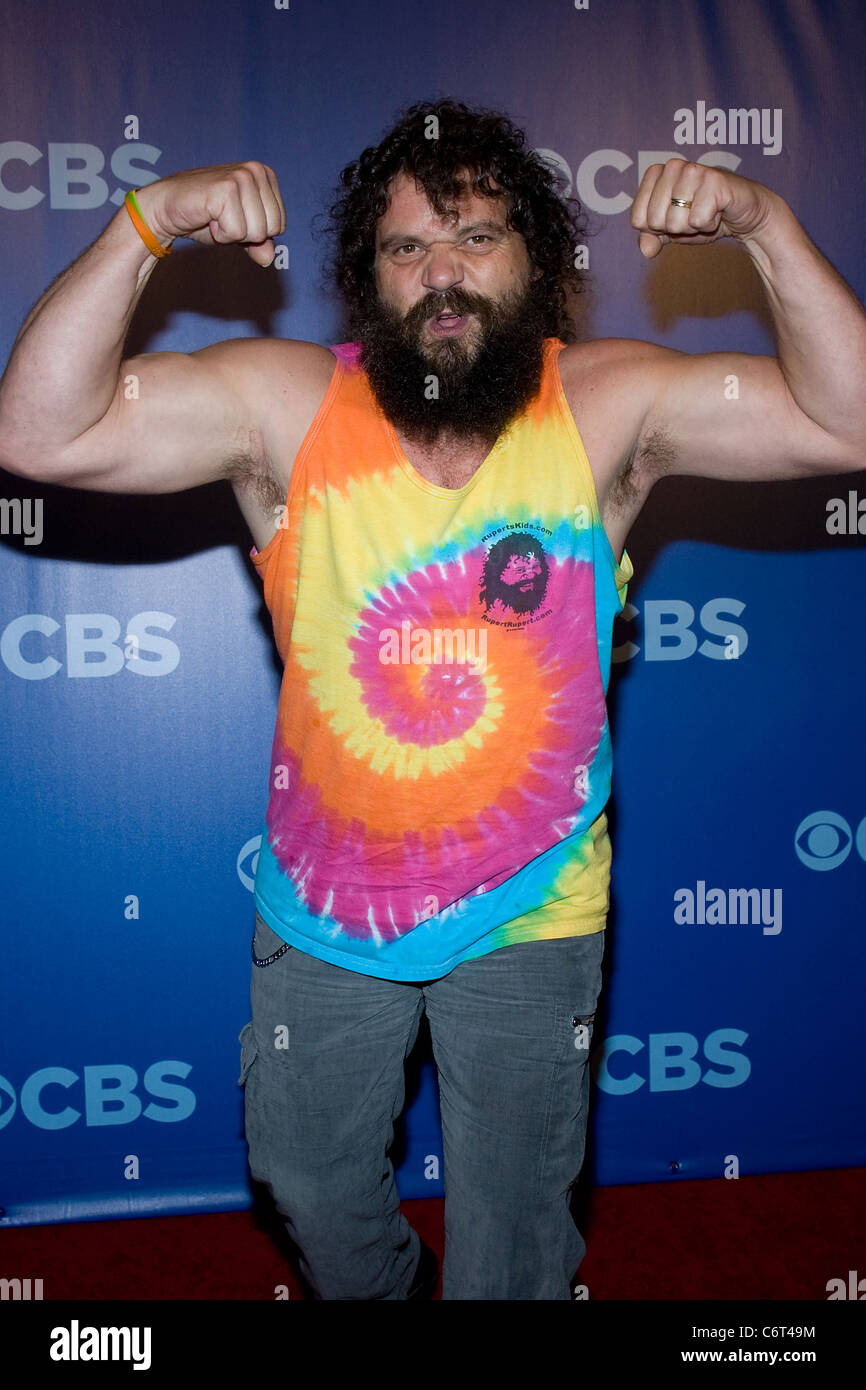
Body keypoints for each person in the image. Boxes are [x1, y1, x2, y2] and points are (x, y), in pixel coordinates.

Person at [1, 98, 863, 1301]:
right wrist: (144, 224)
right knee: (301, 1178)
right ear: (368, 276)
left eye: (476, 237)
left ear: (538, 260)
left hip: (532, 907)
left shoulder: (607, 404)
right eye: (407, 247)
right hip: (324, 911)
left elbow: (847, 417)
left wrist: (765, 225)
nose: (441, 274)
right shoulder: (287, 405)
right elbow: (39, 433)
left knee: (513, 1236)